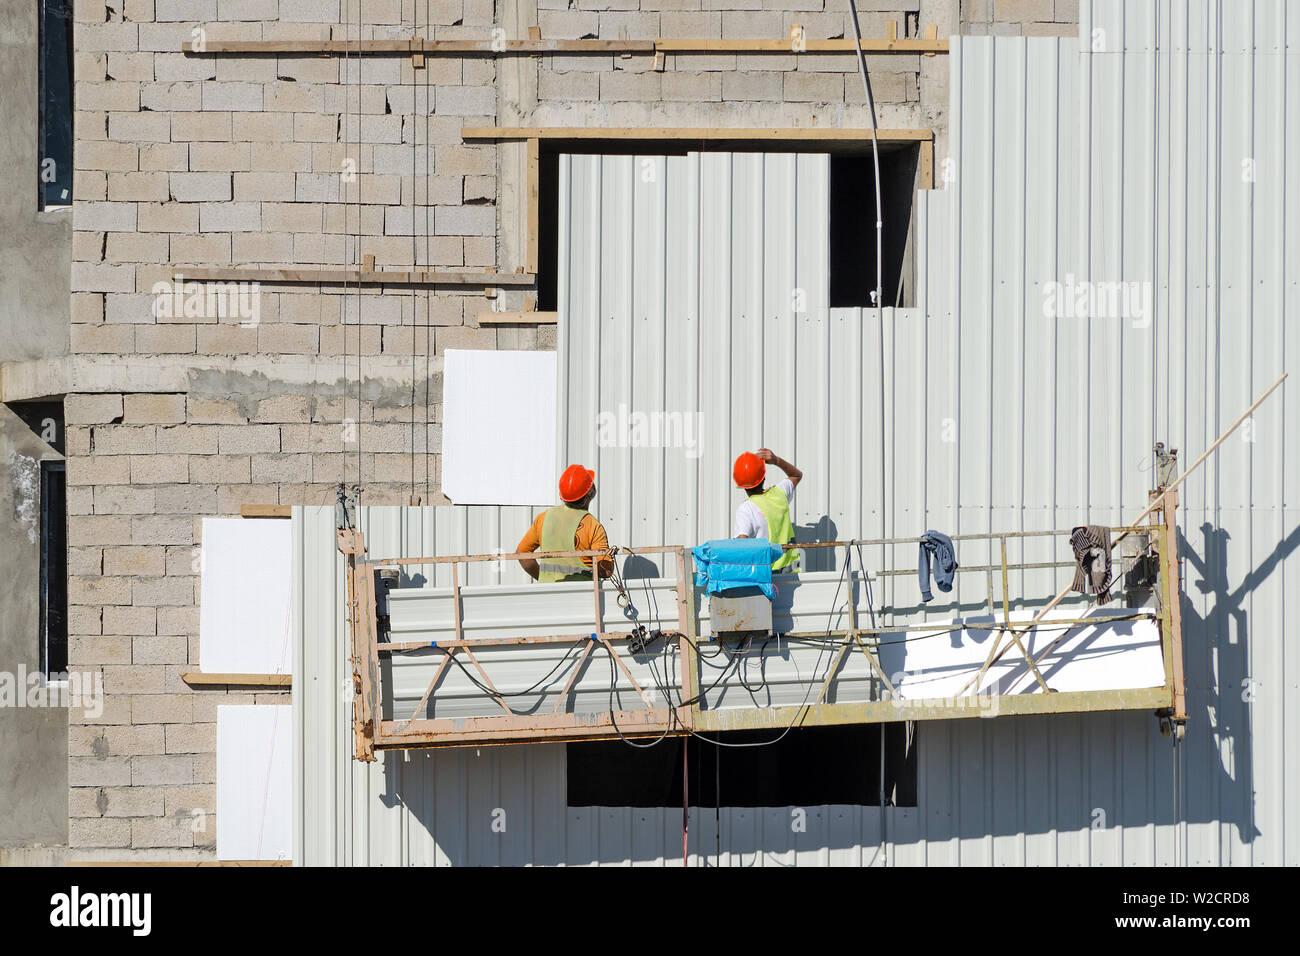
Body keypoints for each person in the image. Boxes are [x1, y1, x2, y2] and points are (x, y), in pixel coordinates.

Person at [517, 464, 615, 582]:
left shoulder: (543, 518)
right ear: (589, 496)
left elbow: (521, 553)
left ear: (562, 496)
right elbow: (606, 572)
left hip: (548, 594)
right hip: (582, 594)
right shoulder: (593, 526)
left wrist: (543, 579)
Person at [732, 447, 802, 572]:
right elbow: (796, 475)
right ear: (763, 477)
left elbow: (741, 544)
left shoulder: (746, 508)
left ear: (742, 485)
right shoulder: (780, 493)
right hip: (791, 569)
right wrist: (776, 460)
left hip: (766, 574)